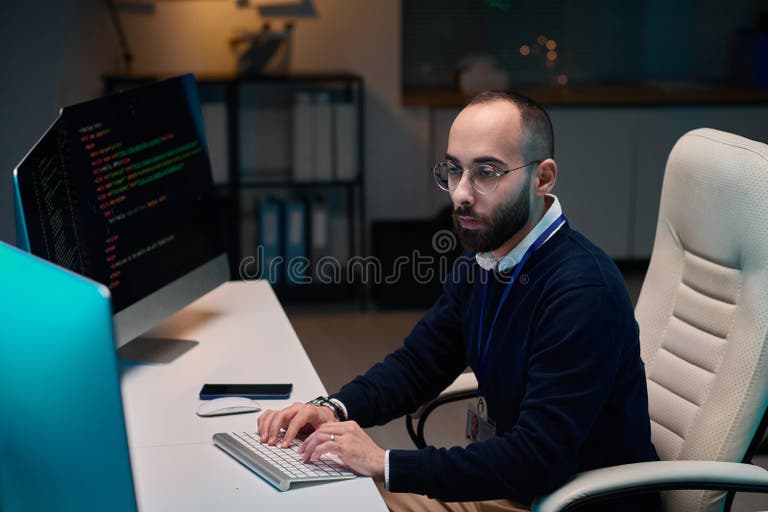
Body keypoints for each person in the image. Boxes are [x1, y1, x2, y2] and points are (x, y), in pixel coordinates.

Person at [257, 91, 661, 512]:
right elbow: (418, 365)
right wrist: (334, 409)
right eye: (453, 170)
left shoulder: (581, 291)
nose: (461, 194)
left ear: (542, 178)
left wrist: (385, 462)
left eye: (486, 172)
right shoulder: (487, 259)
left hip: (568, 501)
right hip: (519, 489)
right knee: (325, 490)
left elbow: (540, 457)